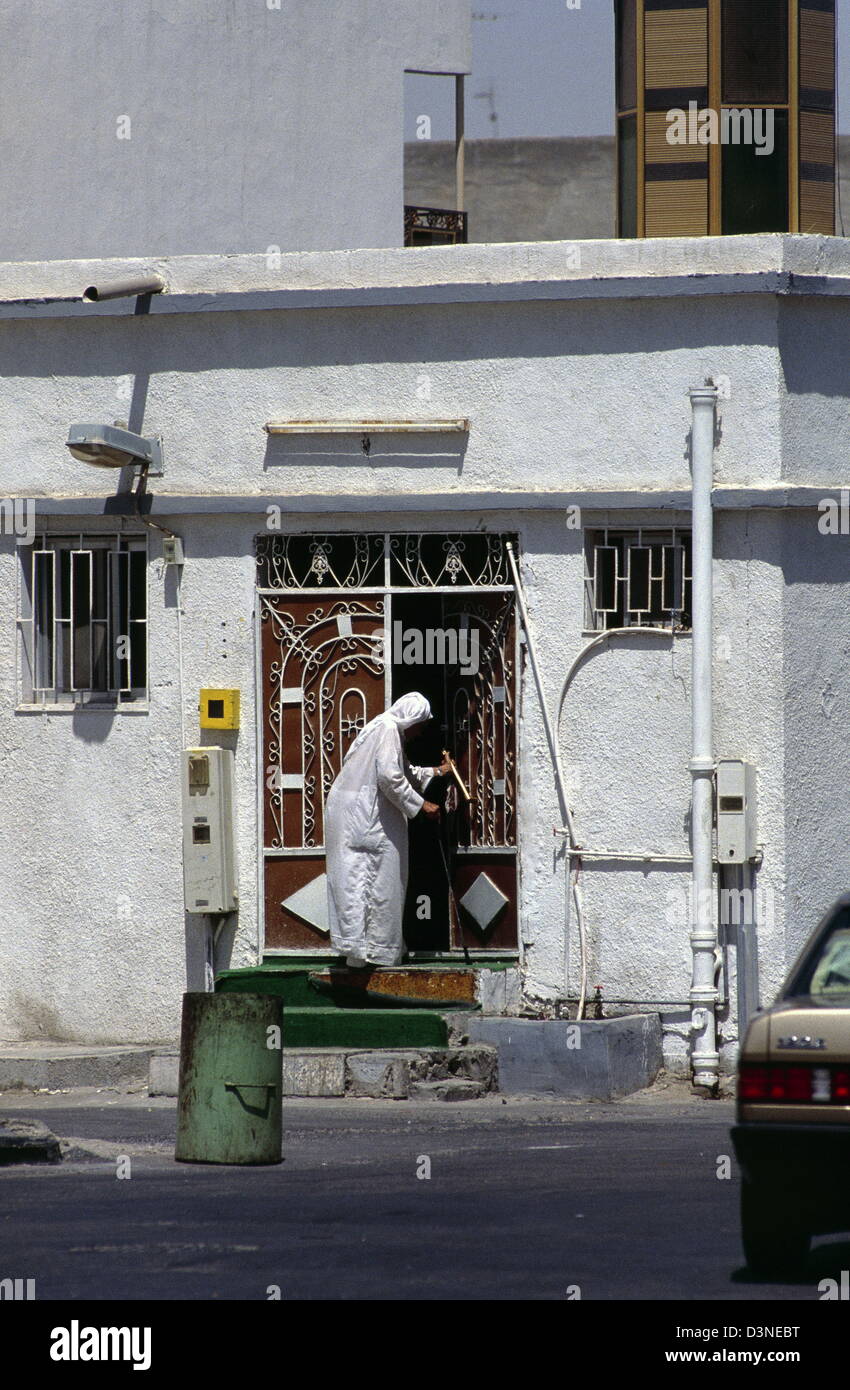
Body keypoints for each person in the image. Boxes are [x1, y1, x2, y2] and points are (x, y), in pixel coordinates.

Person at [325, 692, 451, 968]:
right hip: (363, 820)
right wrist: (422, 806)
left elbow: (405, 773)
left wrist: (440, 771)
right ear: (413, 719)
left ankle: (365, 953)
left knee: (362, 883)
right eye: (421, 724)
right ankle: (373, 953)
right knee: (375, 881)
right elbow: (390, 777)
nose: (421, 732)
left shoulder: (382, 728)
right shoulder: (389, 730)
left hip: (355, 817)